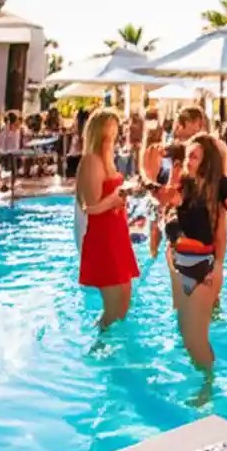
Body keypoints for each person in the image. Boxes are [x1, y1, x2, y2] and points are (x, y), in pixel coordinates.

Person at [158, 133, 227, 404]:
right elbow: (167, 213)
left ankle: (208, 386)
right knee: (184, 329)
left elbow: (221, 236)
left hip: (204, 267)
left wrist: (218, 269)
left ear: (207, 162)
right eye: (187, 155)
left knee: (196, 338)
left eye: (194, 156)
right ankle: (201, 379)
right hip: (179, 263)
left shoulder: (216, 192)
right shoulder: (184, 185)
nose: (188, 160)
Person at [76, 109, 140, 330]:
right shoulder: (92, 161)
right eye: (109, 128)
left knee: (123, 304)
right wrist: (115, 198)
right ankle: (96, 349)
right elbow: (90, 208)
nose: (114, 133)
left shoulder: (107, 159)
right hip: (104, 239)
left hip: (117, 235)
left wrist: (121, 198)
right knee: (113, 309)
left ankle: (109, 350)